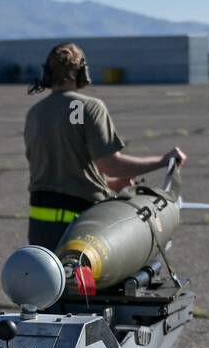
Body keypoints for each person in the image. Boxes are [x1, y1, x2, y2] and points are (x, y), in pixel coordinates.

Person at [24, 42, 187, 250]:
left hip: (40, 228)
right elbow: (110, 165)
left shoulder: (35, 113)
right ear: (81, 72)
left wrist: (110, 184)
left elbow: (59, 174)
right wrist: (164, 161)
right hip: (81, 227)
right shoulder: (89, 107)